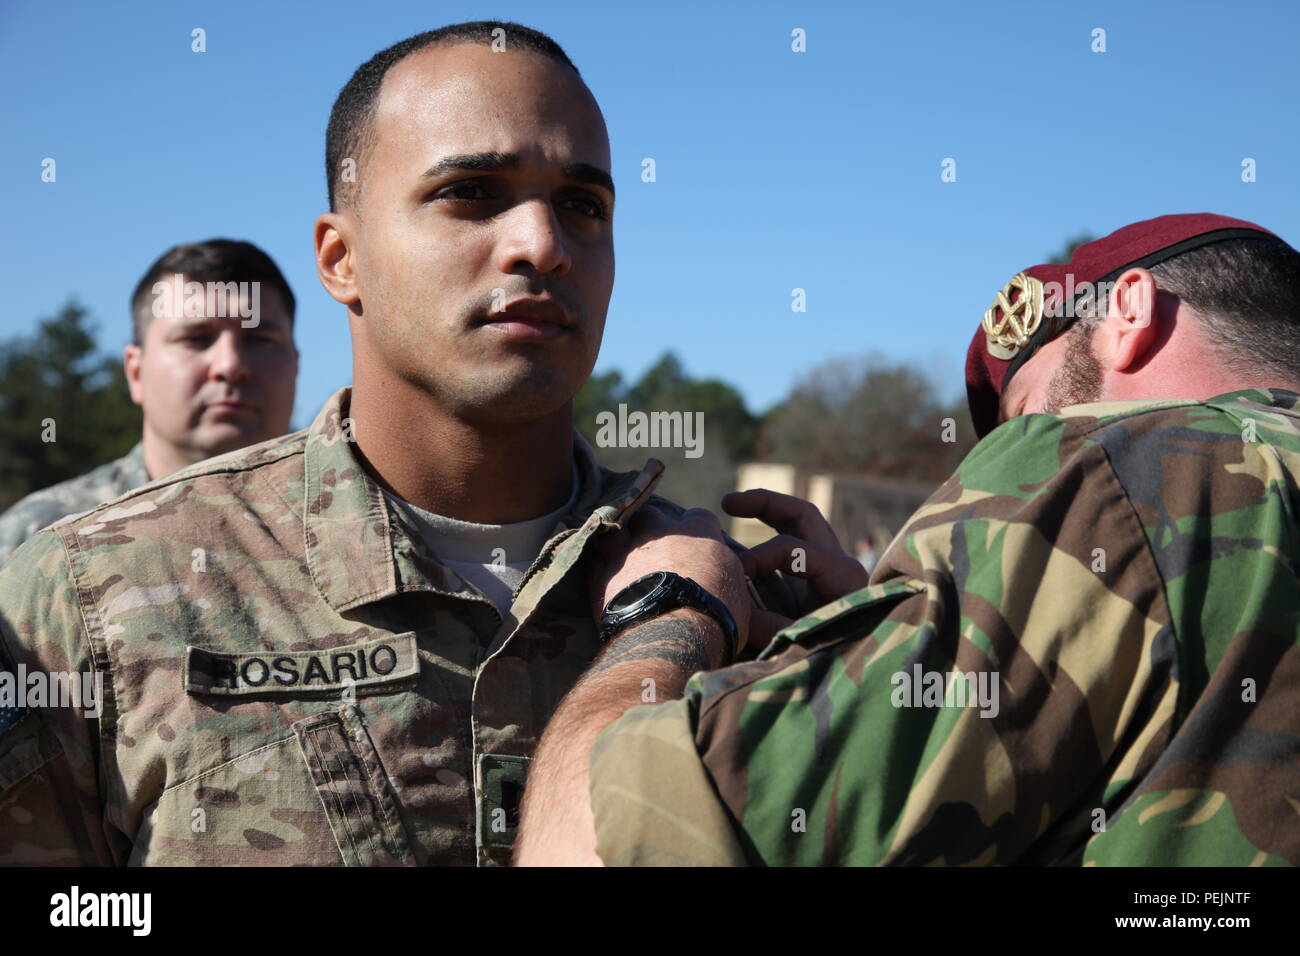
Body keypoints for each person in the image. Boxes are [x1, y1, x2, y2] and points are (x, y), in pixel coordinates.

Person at [0, 21, 795, 867]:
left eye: (583, 205)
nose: (543, 245)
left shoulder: (728, 601)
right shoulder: (93, 599)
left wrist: (861, 646)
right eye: (473, 192)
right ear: (342, 259)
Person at [515, 212, 1300, 866]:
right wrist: (882, 642)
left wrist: (673, 611)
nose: (1029, 444)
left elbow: (595, 840)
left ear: (1130, 314)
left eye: (1033, 413)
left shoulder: (1114, 463)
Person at [0, 239, 298, 563]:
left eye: (260, 339)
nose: (230, 365)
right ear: (135, 372)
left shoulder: (345, 525)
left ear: (295, 364)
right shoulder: (37, 542)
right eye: (196, 338)